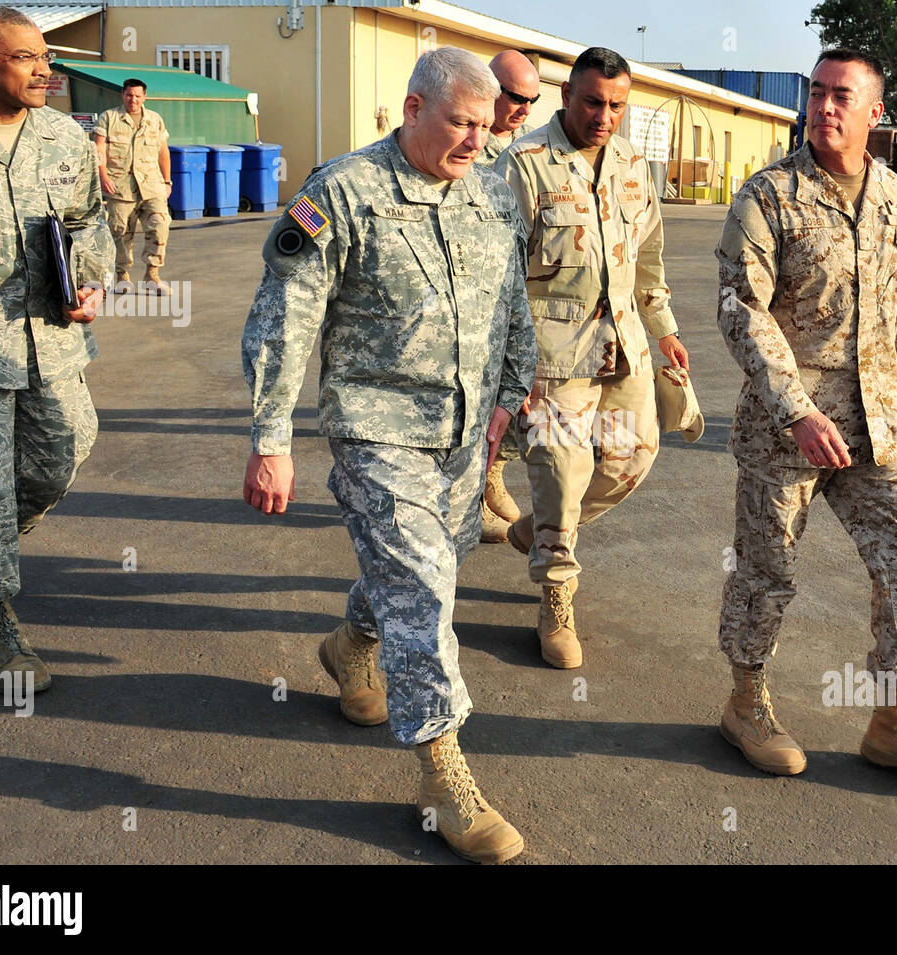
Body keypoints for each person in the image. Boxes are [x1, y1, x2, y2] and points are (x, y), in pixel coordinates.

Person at [240, 47, 537, 863]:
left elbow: (513, 302)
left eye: (487, 124)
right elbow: (285, 317)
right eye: (460, 122)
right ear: (412, 109)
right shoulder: (340, 192)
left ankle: (350, 647)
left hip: (466, 431)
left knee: (431, 561)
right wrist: (272, 440)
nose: (478, 139)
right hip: (375, 428)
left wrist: (514, 392)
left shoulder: (489, 192)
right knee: (423, 582)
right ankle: (444, 775)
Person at [714, 48, 897, 786]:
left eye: (842, 97)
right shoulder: (768, 195)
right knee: (766, 573)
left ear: (874, 112)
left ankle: (892, 720)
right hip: (786, 429)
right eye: (817, 93)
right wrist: (795, 410)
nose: (825, 107)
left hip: (880, 425)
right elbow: (740, 309)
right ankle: (745, 704)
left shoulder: (895, 195)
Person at [0, 4, 112, 691]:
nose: (44, 70)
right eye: (25, 58)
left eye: (46, 58)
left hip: (54, 342)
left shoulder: (65, 137)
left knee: (64, 453)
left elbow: (90, 224)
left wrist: (91, 276)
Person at [494, 47, 688, 670]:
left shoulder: (635, 165)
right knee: (559, 467)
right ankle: (556, 594)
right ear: (566, 98)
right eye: (593, 102)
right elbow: (496, 280)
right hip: (550, 357)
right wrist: (512, 367)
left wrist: (664, 331)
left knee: (633, 459)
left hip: (625, 346)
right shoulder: (521, 167)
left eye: (617, 105)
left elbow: (649, 258)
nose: (605, 116)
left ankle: (536, 531)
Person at [476, 49, 539, 544]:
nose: (524, 109)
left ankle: (492, 472)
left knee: (518, 397)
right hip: (473, 297)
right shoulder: (463, 143)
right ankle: (471, 492)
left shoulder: (525, 149)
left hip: (520, 295)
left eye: (532, 101)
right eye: (516, 97)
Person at [93, 78, 172, 294]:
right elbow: (99, 148)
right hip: (120, 186)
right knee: (120, 232)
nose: (133, 100)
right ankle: (122, 275)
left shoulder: (154, 120)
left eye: (137, 96)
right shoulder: (109, 118)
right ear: (123, 95)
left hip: (151, 185)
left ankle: (152, 275)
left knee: (160, 226)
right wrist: (103, 176)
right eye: (129, 95)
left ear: (144, 97)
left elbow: (163, 151)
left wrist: (167, 181)